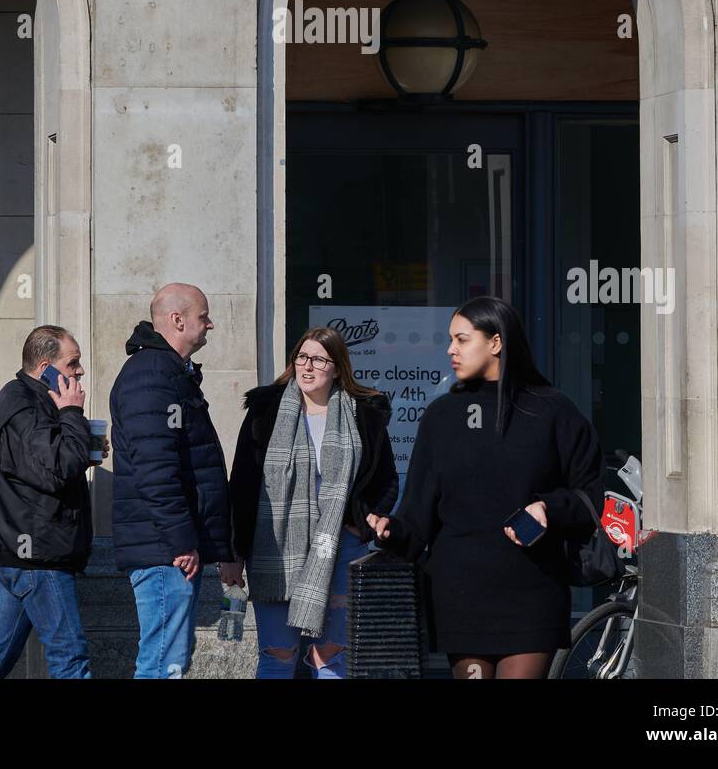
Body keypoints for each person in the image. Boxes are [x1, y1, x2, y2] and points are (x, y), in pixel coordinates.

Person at [368, 296, 605, 681]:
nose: (450, 350)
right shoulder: (441, 416)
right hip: (460, 593)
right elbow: (417, 515)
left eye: (462, 339)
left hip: (533, 589)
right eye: (450, 340)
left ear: (496, 342)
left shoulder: (553, 411)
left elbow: (589, 496)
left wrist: (548, 508)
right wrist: (389, 530)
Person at [223, 326, 399, 679]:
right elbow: (242, 484)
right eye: (301, 357)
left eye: (318, 359)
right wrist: (233, 552)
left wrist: (362, 524)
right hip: (274, 549)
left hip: (341, 547)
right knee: (278, 656)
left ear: (337, 366)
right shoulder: (265, 411)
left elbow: (385, 481)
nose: (307, 366)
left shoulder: (362, 413)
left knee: (331, 659)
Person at [0, 325, 107, 679]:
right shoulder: (25, 406)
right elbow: (57, 468)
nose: (80, 372)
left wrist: (81, 449)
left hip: (21, 552)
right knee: (70, 657)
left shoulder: (27, 401)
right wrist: (72, 415)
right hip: (37, 556)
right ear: (45, 368)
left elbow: (37, 469)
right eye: (72, 363)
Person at [110, 282, 233, 679]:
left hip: (167, 547)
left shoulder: (166, 373)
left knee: (170, 659)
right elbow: (156, 471)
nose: (210, 324)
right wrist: (182, 542)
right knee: (165, 663)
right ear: (178, 320)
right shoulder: (152, 375)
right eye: (203, 316)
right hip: (165, 551)